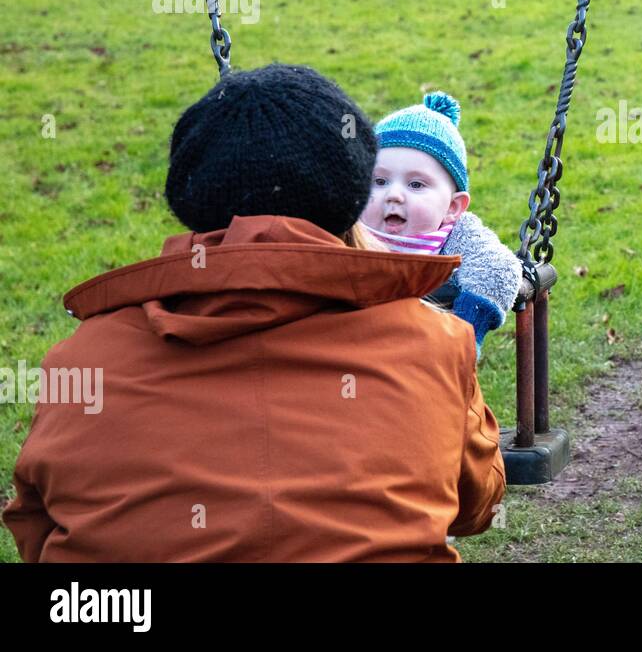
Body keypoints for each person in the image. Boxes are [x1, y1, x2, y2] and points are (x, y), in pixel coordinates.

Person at [2, 64, 504, 562]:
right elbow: (474, 506)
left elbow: (35, 521)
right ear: (354, 193)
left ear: (189, 193)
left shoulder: (84, 359)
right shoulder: (434, 342)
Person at [360, 91, 522, 359]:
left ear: (452, 207)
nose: (394, 195)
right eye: (379, 181)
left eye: (416, 184)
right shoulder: (354, 227)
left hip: (430, 356)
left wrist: (464, 333)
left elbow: (498, 269)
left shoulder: (457, 236)